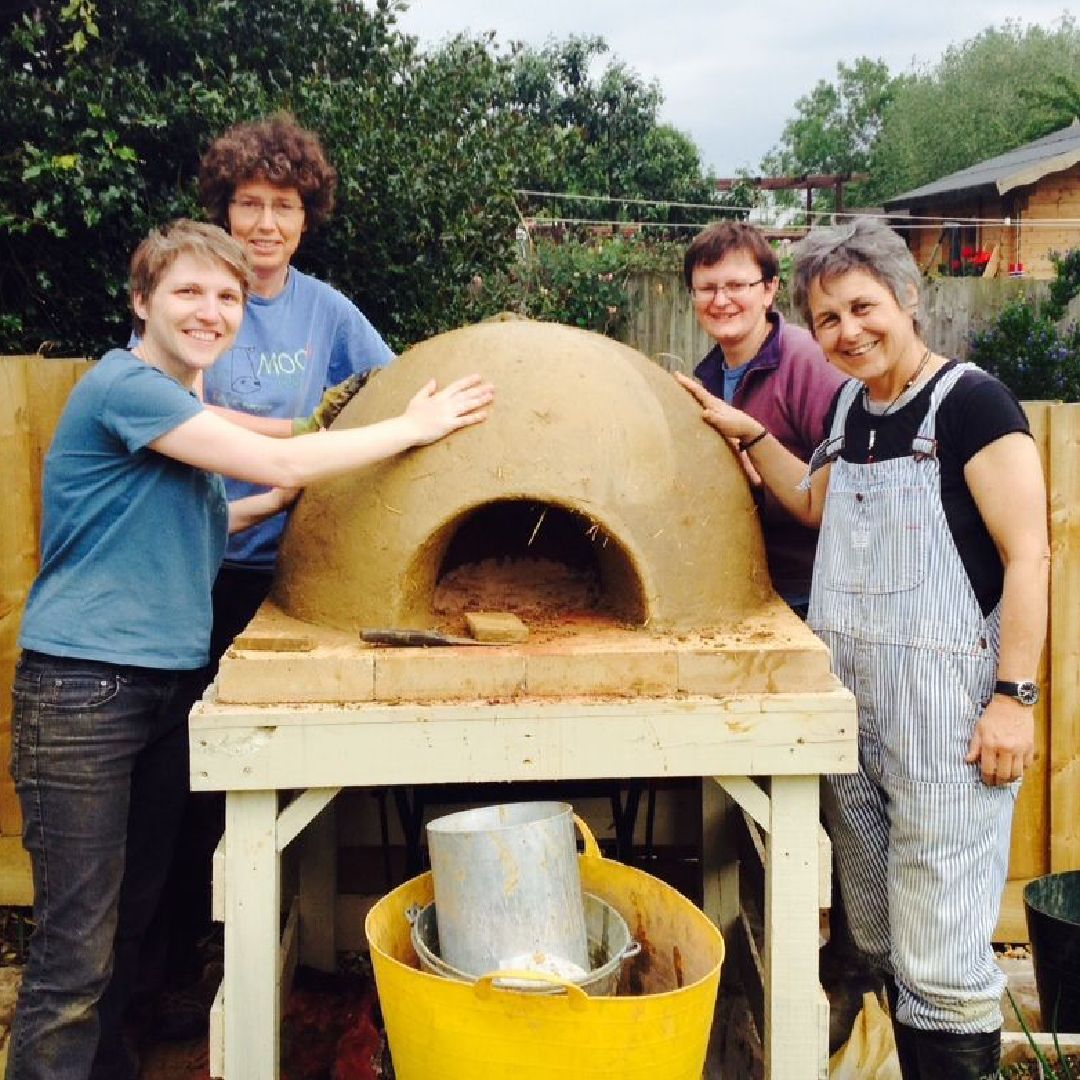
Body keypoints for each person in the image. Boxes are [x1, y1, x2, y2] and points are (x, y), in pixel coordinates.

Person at [6, 219, 493, 1080]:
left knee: (130, 923)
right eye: (187, 292)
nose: (210, 311)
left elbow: (206, 514)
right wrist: (413, 427)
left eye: (227, 296)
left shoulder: (179, 409)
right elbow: (294, 458)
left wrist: (266, 507)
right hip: (85, 693)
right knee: (74, 959)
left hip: (157, 690)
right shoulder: (127, 387)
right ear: (140, 302)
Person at [677, 217, 1048, 1079]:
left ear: (907, 298)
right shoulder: (850, 406)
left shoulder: (972, 406)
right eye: (829, 319)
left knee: (945, 949)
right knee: (876, 927)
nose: (848, 332)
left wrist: (1013, 699)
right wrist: (745, 430)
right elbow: (812, 505)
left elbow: (1031, 556)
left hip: (948, 720)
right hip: (856, 715)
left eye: (862, 308)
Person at [141, 114, 396, 1034]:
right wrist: (302, 438)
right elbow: (176, 419)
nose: (264, 223)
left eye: (282, 206)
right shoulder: (197, 305)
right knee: (176, 779)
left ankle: (255, 956)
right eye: (248, 203)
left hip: (287, 580)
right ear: (224, 210)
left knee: (274, 777)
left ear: (304, 217)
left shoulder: (326, 312)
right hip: (192, 571)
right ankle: (164, 975)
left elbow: (390, 388)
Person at [683, 221, 845, 614]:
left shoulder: (809, 364)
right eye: (707, 288)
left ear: (769, 289)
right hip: (746, 580)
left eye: (737, 286)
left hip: (812, 590)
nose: (721, 300)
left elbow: (845, 489)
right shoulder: (706, 376)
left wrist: (760, 466)